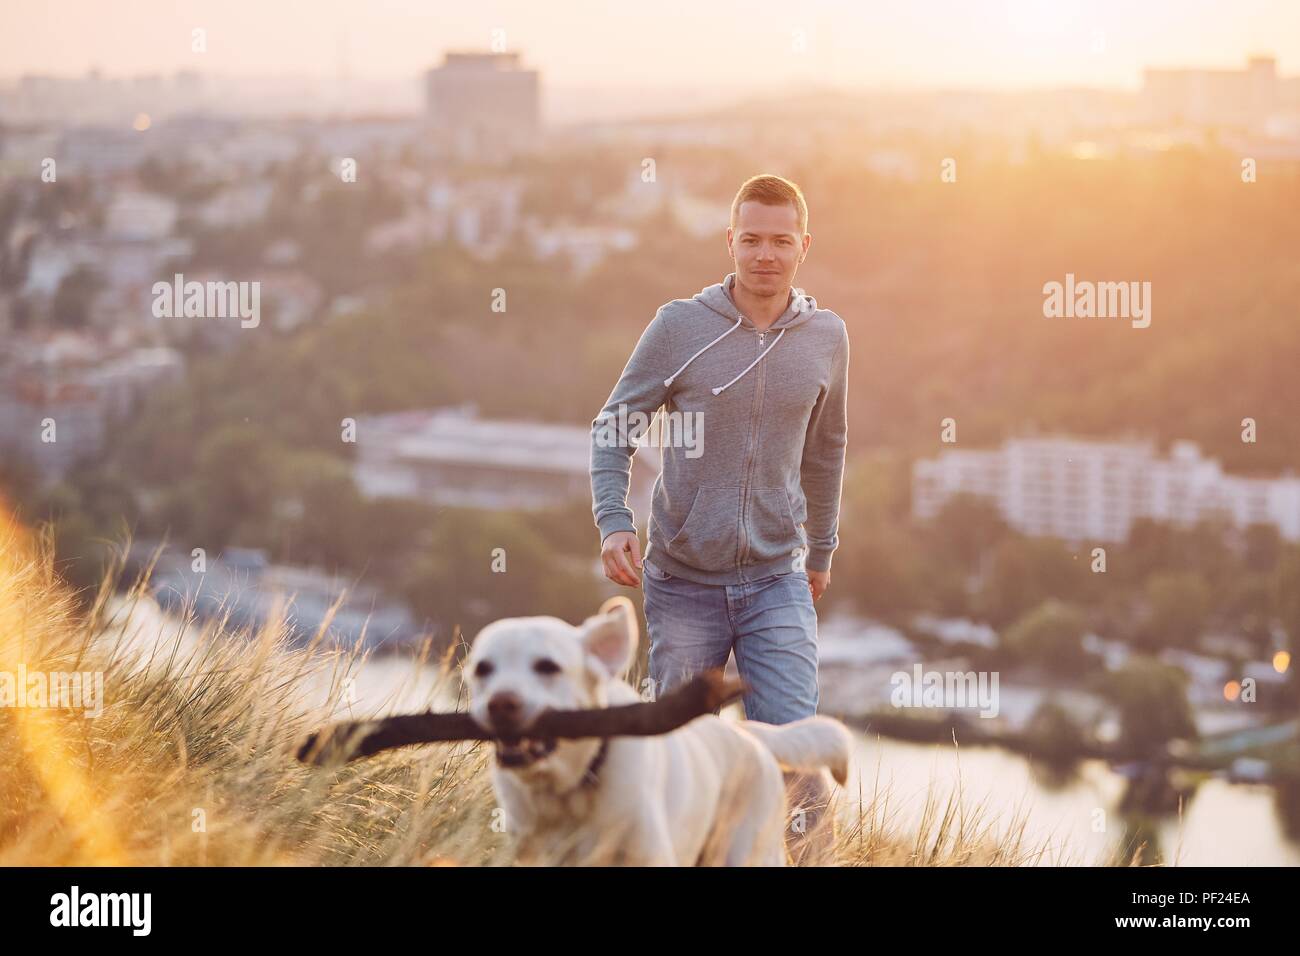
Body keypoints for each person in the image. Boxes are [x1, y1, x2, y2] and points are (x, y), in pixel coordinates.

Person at [588, 173, 850, 864]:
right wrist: (615, 517)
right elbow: (614, 424)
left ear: (803, 247)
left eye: (781, 241)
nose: (766, 254)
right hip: (682, 584)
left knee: (798, 753)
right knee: (675, 757)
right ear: (730, 240)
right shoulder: (680, 326)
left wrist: (821, 548)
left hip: (776, 580)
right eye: (753, 239)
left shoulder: (826, 336)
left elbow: (827, 450)